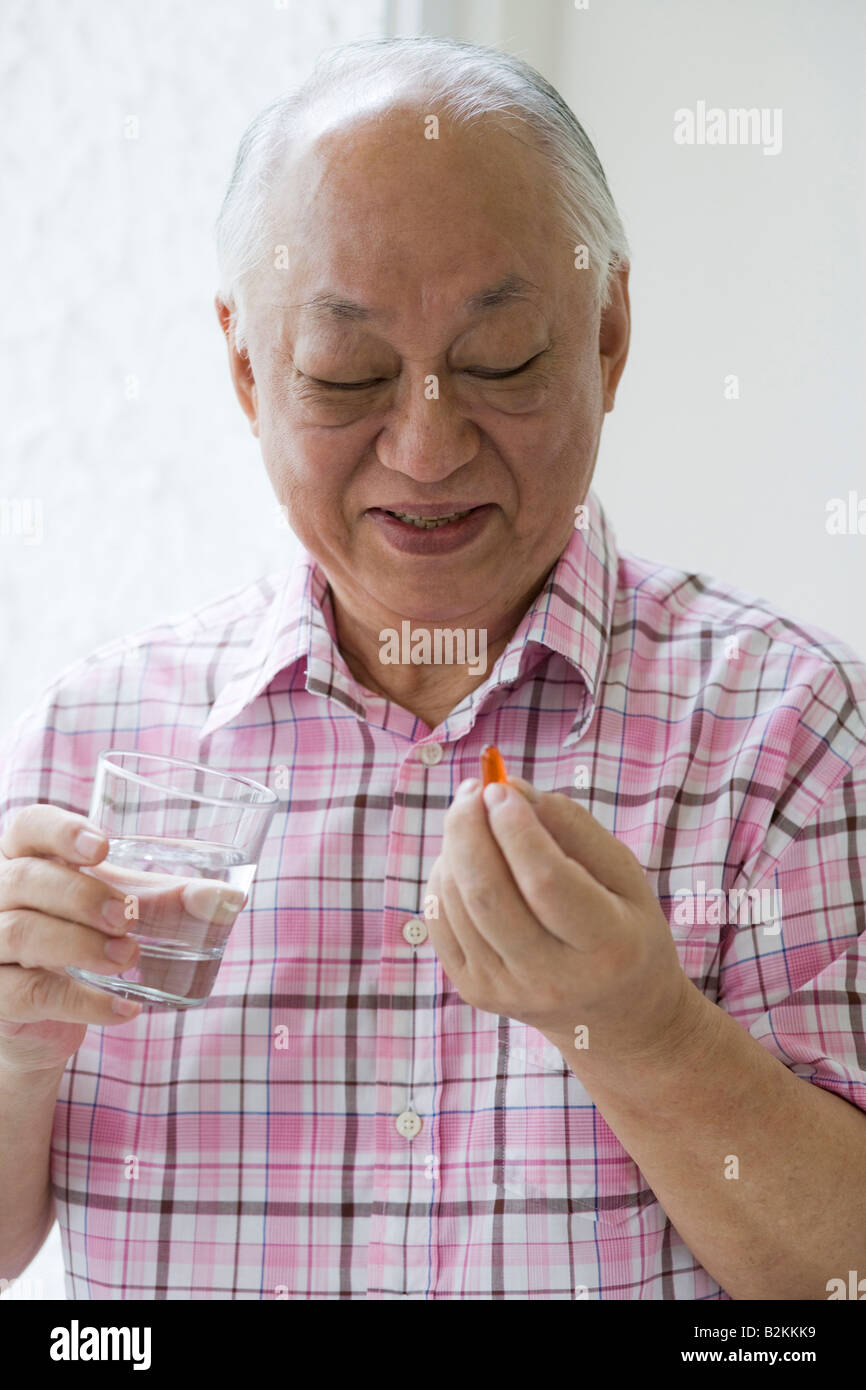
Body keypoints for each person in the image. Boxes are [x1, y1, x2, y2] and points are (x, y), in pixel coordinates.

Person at [1, 36, 864, 1301]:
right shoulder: (101, 736)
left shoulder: (785, 732)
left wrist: (643, 1028)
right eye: (345, 376)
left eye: (499, 361)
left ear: (608, 331)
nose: (423, 445)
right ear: (246, 367)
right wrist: (17, 1053)